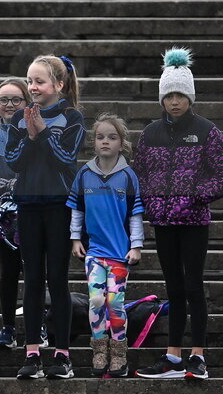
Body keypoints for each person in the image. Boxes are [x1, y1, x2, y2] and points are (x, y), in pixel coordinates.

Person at [132, 48, 223, 380]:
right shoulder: (150, 133)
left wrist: (196, 196)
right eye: (169, 96)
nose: (175, 102)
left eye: (180, 96)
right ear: (162, 99)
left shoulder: (206, 131)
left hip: (193, 221)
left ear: (190, 97)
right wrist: (150, 202)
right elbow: (139, 174)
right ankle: (173, 356)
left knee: (193, 286)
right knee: (173, 288)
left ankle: (198, 356)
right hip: (163, 222)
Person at [7, 55, 84, 380]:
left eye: (39, 81)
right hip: (28, 206)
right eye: (29, 81)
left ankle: (62, 355)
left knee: (58, 279)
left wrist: (44, 133)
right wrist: (30, 136)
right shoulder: (19, 118)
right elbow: (13, 161)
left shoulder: (72, 117)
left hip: (58, 207)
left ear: (59, 84)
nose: (33, 87)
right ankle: (32, 353)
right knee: (33, 280)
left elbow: (66, 159)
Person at [68, 114, 144, 378]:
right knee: (96, 300)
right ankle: (99, 350)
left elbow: (135, 214)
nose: (105, 141)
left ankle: (119, 353)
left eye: (112, 137)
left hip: (119, 254)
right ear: (94, 142)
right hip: (94, 252)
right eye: (100, 137)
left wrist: (136, 245)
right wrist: (75, 239)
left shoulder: (128, 176)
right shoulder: (84, 174)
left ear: (122, 143)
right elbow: (77, 210)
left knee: (115, 301)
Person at [0, 78, 32, 351]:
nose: (9, 105)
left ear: (26, 102)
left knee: (35, 270)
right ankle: (8, 327)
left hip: (34, 210)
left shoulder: (35, 131)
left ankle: (39, 324)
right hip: (3, 215)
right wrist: (9, 185)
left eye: (16, 100)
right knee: (8, 270)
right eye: (4, 100)